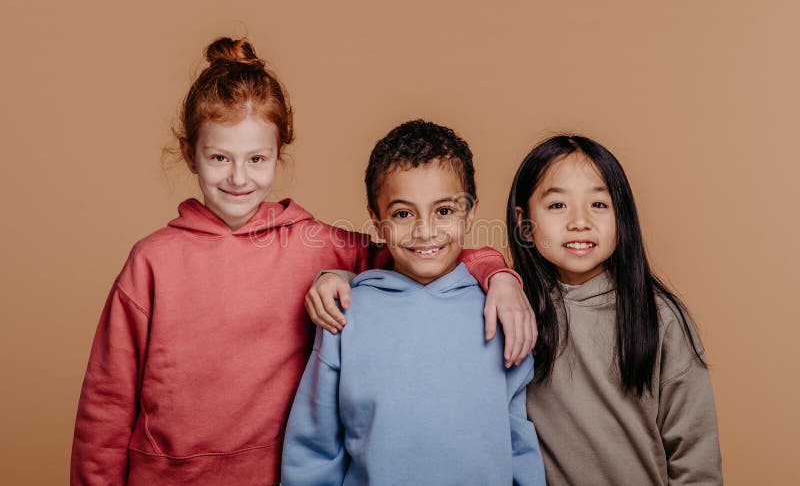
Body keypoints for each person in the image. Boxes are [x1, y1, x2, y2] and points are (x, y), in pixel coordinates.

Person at [70, 38, 533, 485]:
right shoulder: (152, 262)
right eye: (220, 157)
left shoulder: (313, 242)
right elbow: (106, 403)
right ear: (190, 154)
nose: (238, 177)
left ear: (279, 154)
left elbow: (421, 254)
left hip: (273, 474)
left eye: (256, 158)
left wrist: (498, 274)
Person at [282, 120, 546, 486]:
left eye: (444, 211)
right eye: (403, 214)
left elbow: (518, 441)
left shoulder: (502, 311)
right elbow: (314, 448)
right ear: (377, 220)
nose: (425, 231)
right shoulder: (344, 315)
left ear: (470, 213)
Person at [507, 135, 722, 485]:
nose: (580, 221)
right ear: (525, 225)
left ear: (622, 217)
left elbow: (695, 455)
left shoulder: (659, 316)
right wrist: (498, 277)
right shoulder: (514, 310)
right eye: (558, 205)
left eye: (599, 204)